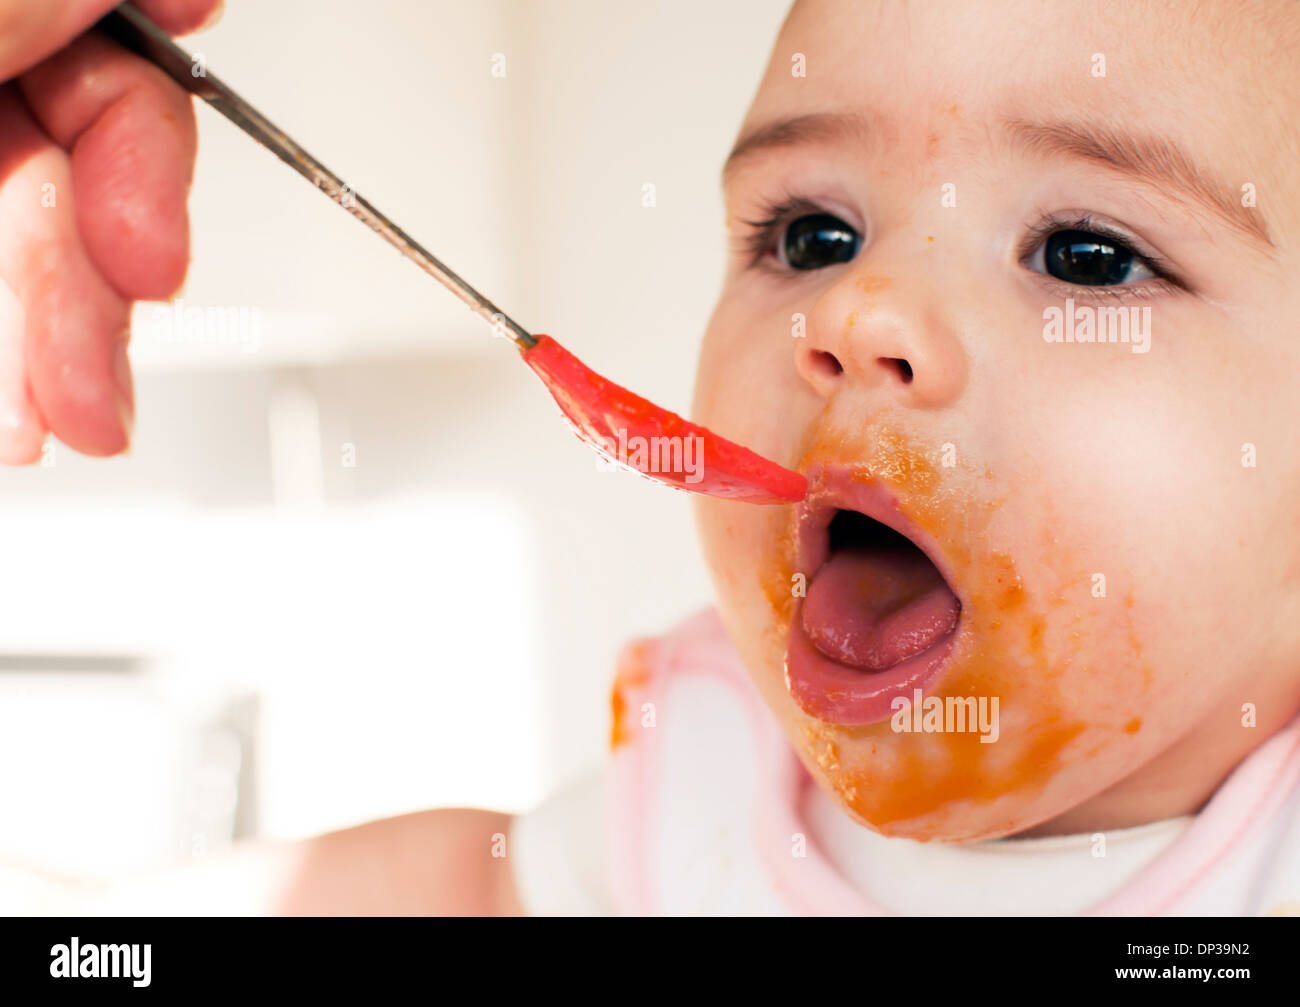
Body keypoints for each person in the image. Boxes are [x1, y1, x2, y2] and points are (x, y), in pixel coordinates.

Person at [11, 0, 1300, 916]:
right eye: (811, 235)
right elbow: (463, 889)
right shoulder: (708, 784)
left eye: (1086, 255)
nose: (858, 318)